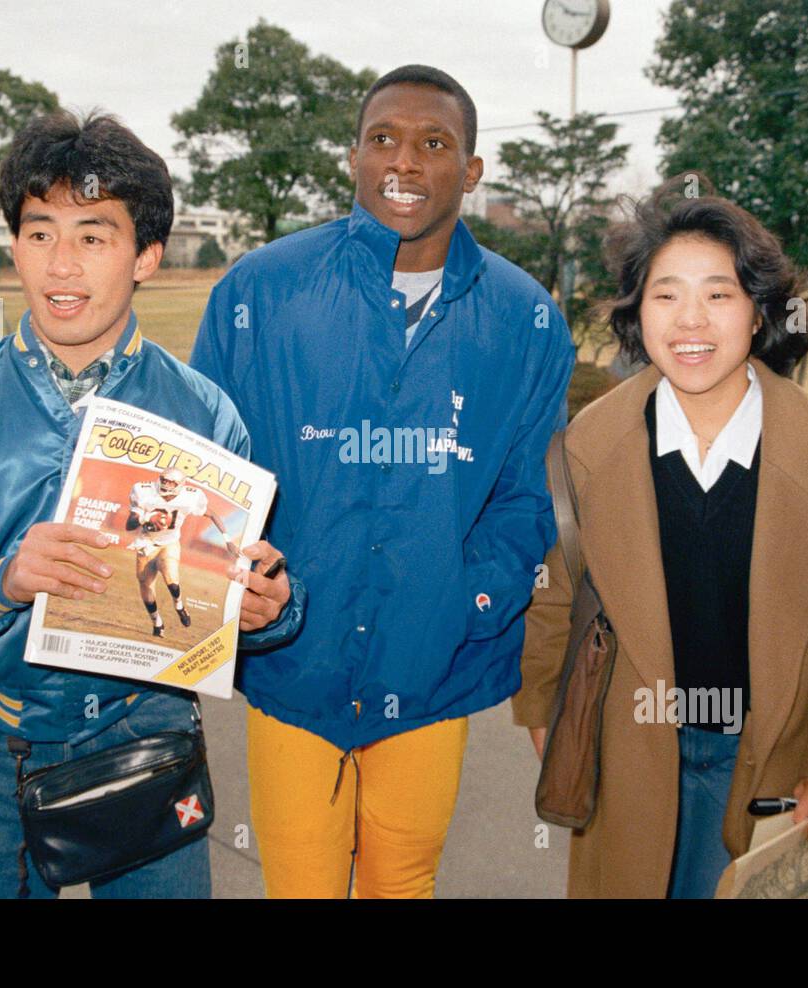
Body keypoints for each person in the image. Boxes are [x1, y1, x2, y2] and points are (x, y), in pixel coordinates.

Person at [0, 110, 304, 899]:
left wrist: (272, 606)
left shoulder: (206, 413)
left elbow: (240, 587)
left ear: (146, 257)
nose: (62, 265)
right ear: (14, 247)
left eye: (93, 237)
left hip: (148, 733)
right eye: (40, 234)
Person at [190, 64, 575, 898]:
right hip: (293, 661)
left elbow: (529, 497)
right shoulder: (261, 290)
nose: (405, 160)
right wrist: (242, 589)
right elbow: (204, 471)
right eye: (383, 139)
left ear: (469, 172)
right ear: (355, 159)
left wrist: (468, 600)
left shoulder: (526, 320)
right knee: (301, 884)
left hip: (433, 666)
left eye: (434, 143)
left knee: (403, 880)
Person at [512, 179, 808, 898]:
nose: (690, 320)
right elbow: (555, 597)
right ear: (637, 313)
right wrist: (546, 717)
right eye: (666, 294)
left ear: (759, 312)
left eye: (719, 294)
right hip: (627, 751)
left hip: (771, 761)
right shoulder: (582, 448)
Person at [126, 468, 237, 636]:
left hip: (169, 543)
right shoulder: (144, 492)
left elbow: (212, 514)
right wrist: (146, 518)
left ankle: (178, 605)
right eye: (164, 480)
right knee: (146, 585)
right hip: (146, 543)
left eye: (171, 482)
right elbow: (130, 525)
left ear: (180, 485)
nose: (166, 484)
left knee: (171, 579)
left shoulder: (190, 497)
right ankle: (157, 622)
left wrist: (228, 540)